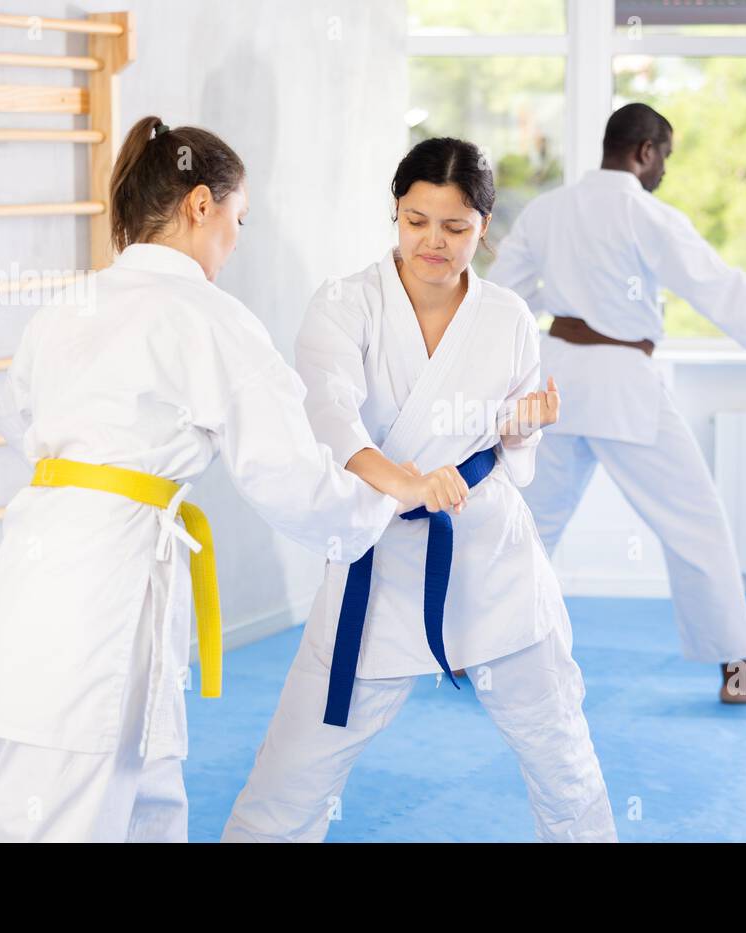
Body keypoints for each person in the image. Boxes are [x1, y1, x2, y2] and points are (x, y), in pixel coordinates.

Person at [0, 116, 460, 841]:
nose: (234, 242)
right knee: (66, 806)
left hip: (36, 562)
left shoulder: (65, 306)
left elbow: (18, 423)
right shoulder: (206, 316)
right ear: (201, 205)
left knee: (143, 794)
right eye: (237, 219)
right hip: (104, 590)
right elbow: (287, 474)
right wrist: (386, 497)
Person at [221, 137, 618, 842]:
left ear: (484, 227)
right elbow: (331, 417)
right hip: (373, 558)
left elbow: (511, 456)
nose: (432, 241)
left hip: (490, 558)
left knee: (563, 758)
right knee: (290, 775)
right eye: (415, 220)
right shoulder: (345, 303)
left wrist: (521, 427)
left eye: (455, 227)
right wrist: (409, 484)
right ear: (395, 214)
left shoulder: (507, 318)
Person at [488, 102, 746, 703]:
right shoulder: (644, 212)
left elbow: (499, 300)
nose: (664, 172)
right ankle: (739, 676)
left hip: (553, 384)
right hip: (624, 386)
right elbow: (718, 285)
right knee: (698, 527)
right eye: (664, 158)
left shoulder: (547, 211)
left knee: (529, 526)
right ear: (644, 151)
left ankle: (480, 656)